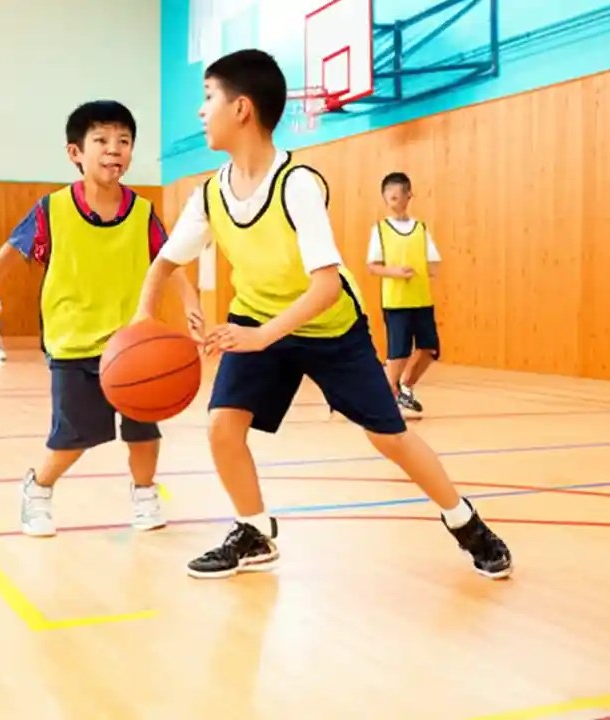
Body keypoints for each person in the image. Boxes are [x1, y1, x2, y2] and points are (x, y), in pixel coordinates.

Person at [132, 48, 511, 580]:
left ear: (241, 108)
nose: (200, 111)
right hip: (257, 317)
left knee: (388, 436)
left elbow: (327, 288)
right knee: (222, 426)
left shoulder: (298, 185)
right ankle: (254, 531)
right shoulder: (210, 193)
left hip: (328, 326)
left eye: (208, 96)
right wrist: (145, 318)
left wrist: (262, 337)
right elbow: (167, 260)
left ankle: (465, 521)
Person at [0, 100, 199, 537]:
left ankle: (144, 495)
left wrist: (190, 302)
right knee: (74, 434)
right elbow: (13, 250)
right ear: (75, 153)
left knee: (144, 428)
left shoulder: (141, 212)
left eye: (123, 141)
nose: (113, 150)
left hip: (131, 341)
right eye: (101, 140)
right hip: (72, 339)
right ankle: (38, 489)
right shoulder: (53, 209)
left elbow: (168, 259)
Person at [366, 172, 441, 413]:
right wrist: (395, 271)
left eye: (398, 197)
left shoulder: (421, 228)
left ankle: (406, 387)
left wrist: (429, 269)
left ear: (409, 195)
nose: (394, 202)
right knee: (398, 353)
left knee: (430, 349)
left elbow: (433, 263)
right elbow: (372, 266)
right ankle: (387, 396)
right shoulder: (380, 230)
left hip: (421, 299)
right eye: (389, 198)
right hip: (396, 302)